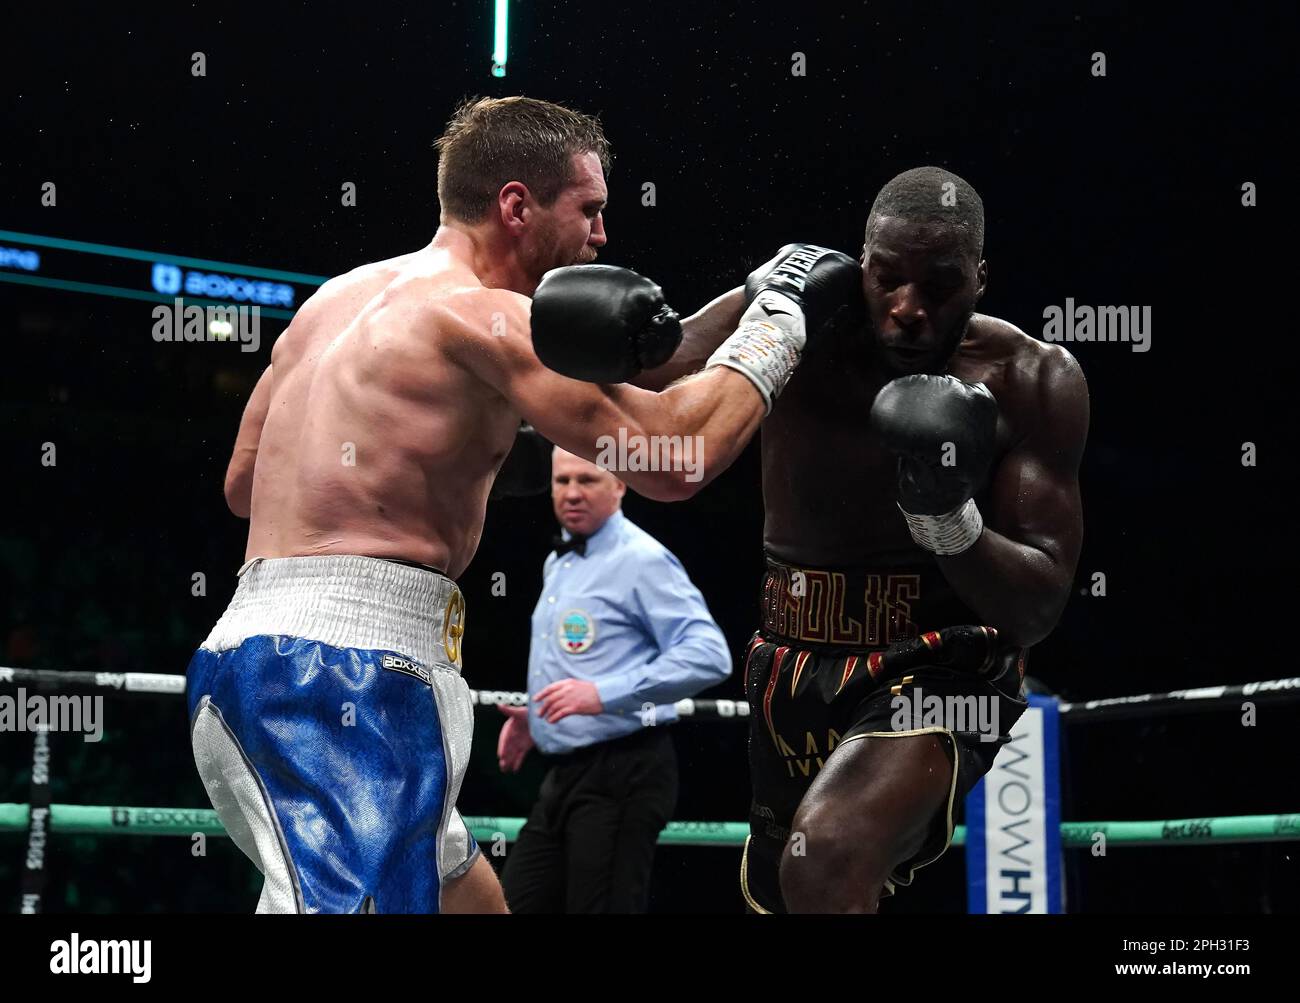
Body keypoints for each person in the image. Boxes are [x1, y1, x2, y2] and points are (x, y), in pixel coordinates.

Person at [187, 95, 855, 913]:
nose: (602, 235)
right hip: (345, 678)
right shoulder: (486, 317)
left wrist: (745, 296)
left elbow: (242, 483)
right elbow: (677, 457)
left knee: (474, 903)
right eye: (590, 209)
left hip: (245, 659)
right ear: (516, 205)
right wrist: (783, 319)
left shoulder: (339, 299)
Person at [639, 166, 1089, 913]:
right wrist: (621, 331)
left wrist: (948, 517)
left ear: (981, 278)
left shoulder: (1030, 378)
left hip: (946, 664)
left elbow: (1039, 607)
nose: (908, 308)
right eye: (888, 278)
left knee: (831, 854)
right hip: (790, 656)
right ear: (862, 261)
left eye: (939, 284)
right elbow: (660, 372)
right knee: (786, 887)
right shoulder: (802, 317)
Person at [495, 447, 731, 912]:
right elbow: (584, 662)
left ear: (620, 483)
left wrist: (603, 696)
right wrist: (538, 718)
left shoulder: (642, 558)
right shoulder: (559, 561)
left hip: (626, 768)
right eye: (562, 482)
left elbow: (709, 655)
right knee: (510, 903)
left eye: (588, 480)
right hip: (565, 773)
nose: (572, 493)